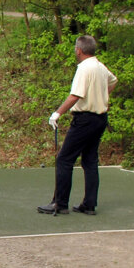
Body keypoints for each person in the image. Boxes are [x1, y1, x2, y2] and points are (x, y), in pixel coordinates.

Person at [37, 34, 117, 216]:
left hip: (85, 120)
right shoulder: (100, 67)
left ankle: (60, 203)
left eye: (75, 48)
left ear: (79, 50)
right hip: (100, 118)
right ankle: (89, 204)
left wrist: (57, 113)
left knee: (64, 159)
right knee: (90, 160)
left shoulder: (84, 68)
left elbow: (76, 95)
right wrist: (101, 96)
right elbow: (113, 81)